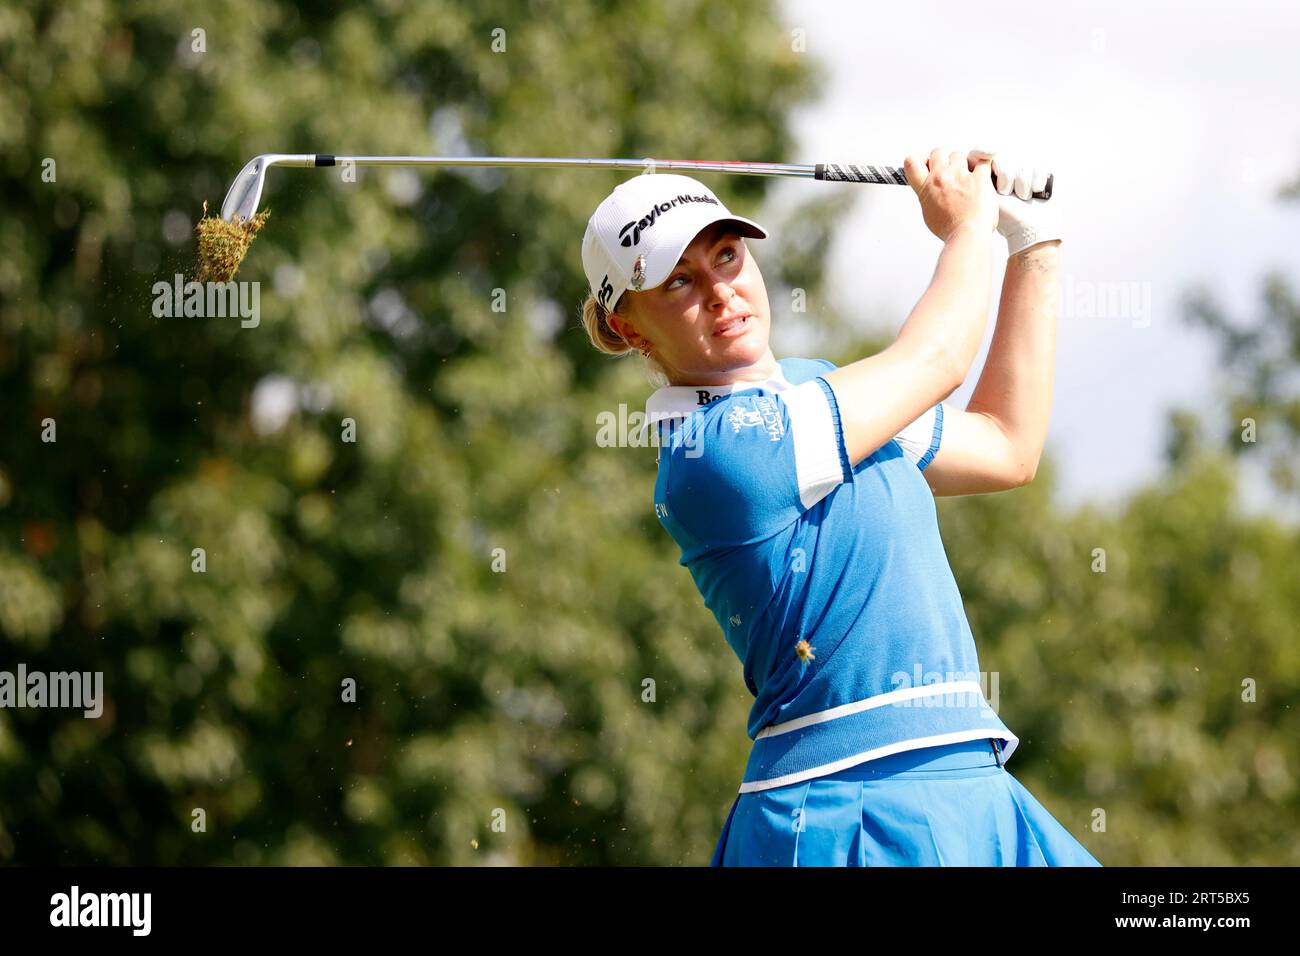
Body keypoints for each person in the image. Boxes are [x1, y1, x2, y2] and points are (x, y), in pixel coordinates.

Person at [577, 149, 1100, 866]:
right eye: (679, 283)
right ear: (632, 329)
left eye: (726, 256)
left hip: (965, 781)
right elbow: (936, 360)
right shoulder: (716, 453)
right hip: (843, 810)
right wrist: (964, 229)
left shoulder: (814, 389)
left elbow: (1007, 447)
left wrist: (1031, 242)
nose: (721, 291)